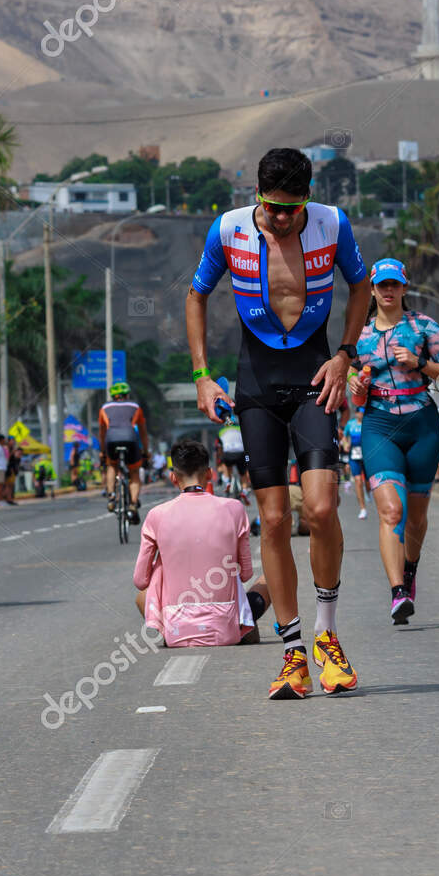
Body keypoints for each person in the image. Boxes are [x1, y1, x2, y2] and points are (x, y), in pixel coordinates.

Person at [186, 146, 368, 699]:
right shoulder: (229, 229)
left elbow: (359, 285)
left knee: (319, 507)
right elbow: (196, 295)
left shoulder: (333, 224)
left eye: (293, 209)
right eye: (273, 208)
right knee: (270, 520)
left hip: (315, 377)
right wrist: (201, 374)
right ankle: (292, 653)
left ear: (307, 199)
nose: (283, 219)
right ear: (256, 197)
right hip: (257, 385)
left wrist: (345, 353)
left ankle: (326, 635)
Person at [347, 258, 439, 623]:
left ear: (404, 288)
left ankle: (410, 571)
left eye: (395, 284)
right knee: (392, 510)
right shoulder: (358, 338)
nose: (389, 291)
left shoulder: (424, 326)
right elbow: (355, 399)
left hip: (422, 424)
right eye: (382, 285)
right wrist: (357, 387)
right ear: (373, 290)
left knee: (416, 517)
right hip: (379, 425)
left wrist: (420, 362)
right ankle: (398, 594)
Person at [134, 438, 270, 648]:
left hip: (176, 632)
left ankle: (175, 627)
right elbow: (246, 574)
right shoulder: (234, 509)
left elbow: (140, 580)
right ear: (209, 474)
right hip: (226, 628)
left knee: (143, 594)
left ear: (173, 477)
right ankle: (244, 626)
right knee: (269, 579)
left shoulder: (156, 515)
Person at [99, 381, 148, 523]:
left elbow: (102, 433)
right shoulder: (135, 407)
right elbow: (143, 433)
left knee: (112, 466)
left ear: (113, 396)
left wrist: (103, 451)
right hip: (130, 438)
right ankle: (133, 503)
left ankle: (112, 496)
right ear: (127, 395)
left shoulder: (104, 408)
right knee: (134, 473)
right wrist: (145, 452)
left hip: (111, 439)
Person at [342, 409, 368, 518]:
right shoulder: (350, 424)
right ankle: (363, 508)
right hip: (354, 455)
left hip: (367, 454)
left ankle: (369, 492)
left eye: (362, 413)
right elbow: (344, 437)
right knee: (357, 481)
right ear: (356, 413)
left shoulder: (368, 423)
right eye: (358, 413)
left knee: (369, 481)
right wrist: (345, 444)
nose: (360, 415)